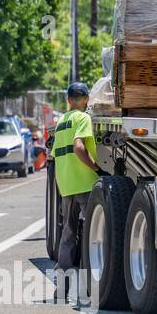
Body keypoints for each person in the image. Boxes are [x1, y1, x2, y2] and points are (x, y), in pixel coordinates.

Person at [52, 82, 100, 278]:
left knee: (68, 232)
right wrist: (95, 167)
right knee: (92, 230)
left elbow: (55, 154)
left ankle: (62, 277)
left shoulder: (61, 121)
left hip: (66, 183)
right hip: (83, 181)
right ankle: (92, 275)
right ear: (87, 99)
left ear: (69, 100)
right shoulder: (83, 118)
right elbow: (78, 147)